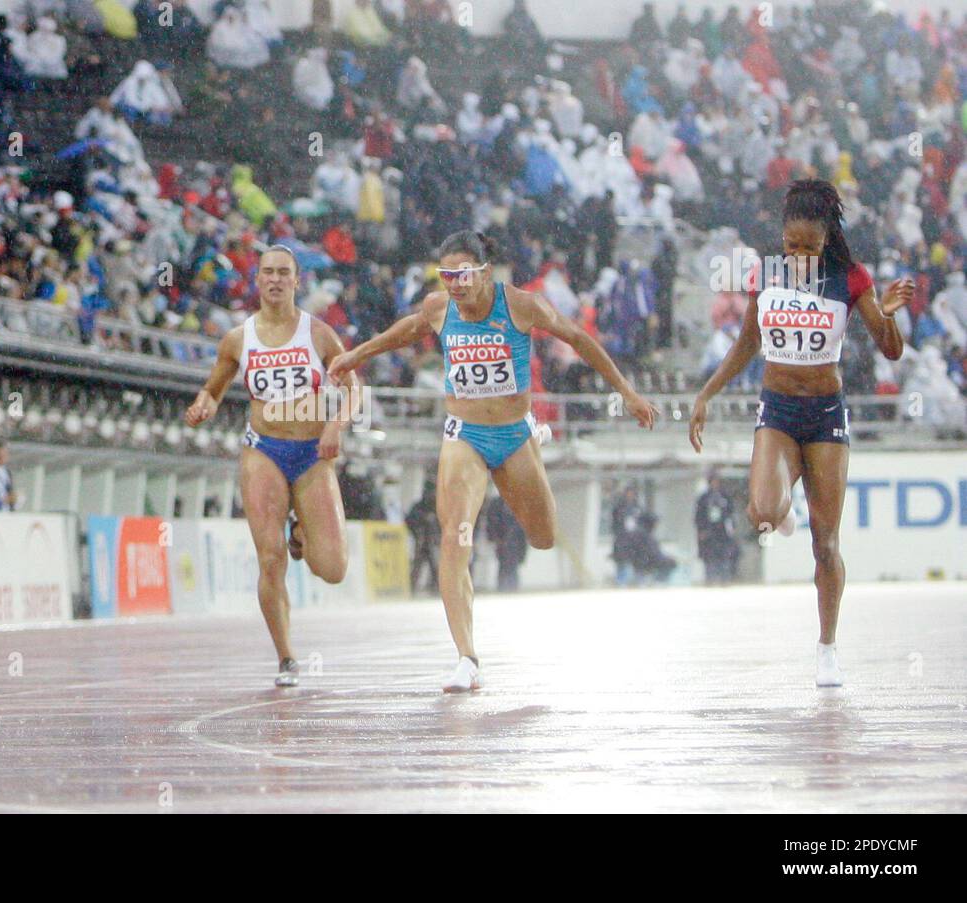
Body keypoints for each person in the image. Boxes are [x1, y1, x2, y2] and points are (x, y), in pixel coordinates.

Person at [329, 230, 658, 692]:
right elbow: (405, 331)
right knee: (454, 536)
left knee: (543, 536)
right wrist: (356, 355)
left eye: (463, 274)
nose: (455, 284)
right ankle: (466, 657)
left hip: (514, 434)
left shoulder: (521, 305)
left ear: (484, 272)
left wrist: (627, 392)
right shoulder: (438, 308)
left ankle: (533, 442)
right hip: (464, 434)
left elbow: (578, 339)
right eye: (446, 275)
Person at [690, 179, 912, 687]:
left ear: (827, 239)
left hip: (826, 415)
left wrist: (888, 314)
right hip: (779, 409)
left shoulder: (850, 278)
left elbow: (890, 349)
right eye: (791, 247)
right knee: (763, 513)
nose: (800, 257)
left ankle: (827, 647)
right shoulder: (765, 275)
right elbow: (747, 344)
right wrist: (706, 394)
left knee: (826, 543)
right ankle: (782, 511)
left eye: (809, 248)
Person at [184, 246, 360, 687]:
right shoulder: (238, 339)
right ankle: (286, 658)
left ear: (297, 282)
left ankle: (302, 531)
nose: (276, 280)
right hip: (262, 449)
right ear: (257, 280)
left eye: (285, 273)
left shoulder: (318, 334)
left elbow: (356, 389)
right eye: (268, 273)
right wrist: (202, 404)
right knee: (269, 558)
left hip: (311, 456)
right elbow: (214, 389)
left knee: (333, 568)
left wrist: (337, 425)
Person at [695, 472, 740, 585]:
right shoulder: (704, 499)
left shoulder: (725, 497)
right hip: (709, 533)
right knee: (710, 558)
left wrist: (732, 528)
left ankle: (725, 580)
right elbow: (699, 516)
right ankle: (710, 580)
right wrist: (701, 530)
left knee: (724, 556)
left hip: (723, 533)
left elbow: (731, 514)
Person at [406, 480, 440, 596]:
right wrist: (422, 522)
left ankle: (435, 589)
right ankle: (411, 589)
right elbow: (410, 520)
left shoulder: (436, 506)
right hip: (421, 541)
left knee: (434, 567)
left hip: (432, 541)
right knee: (417, 567)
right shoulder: (419, 507)